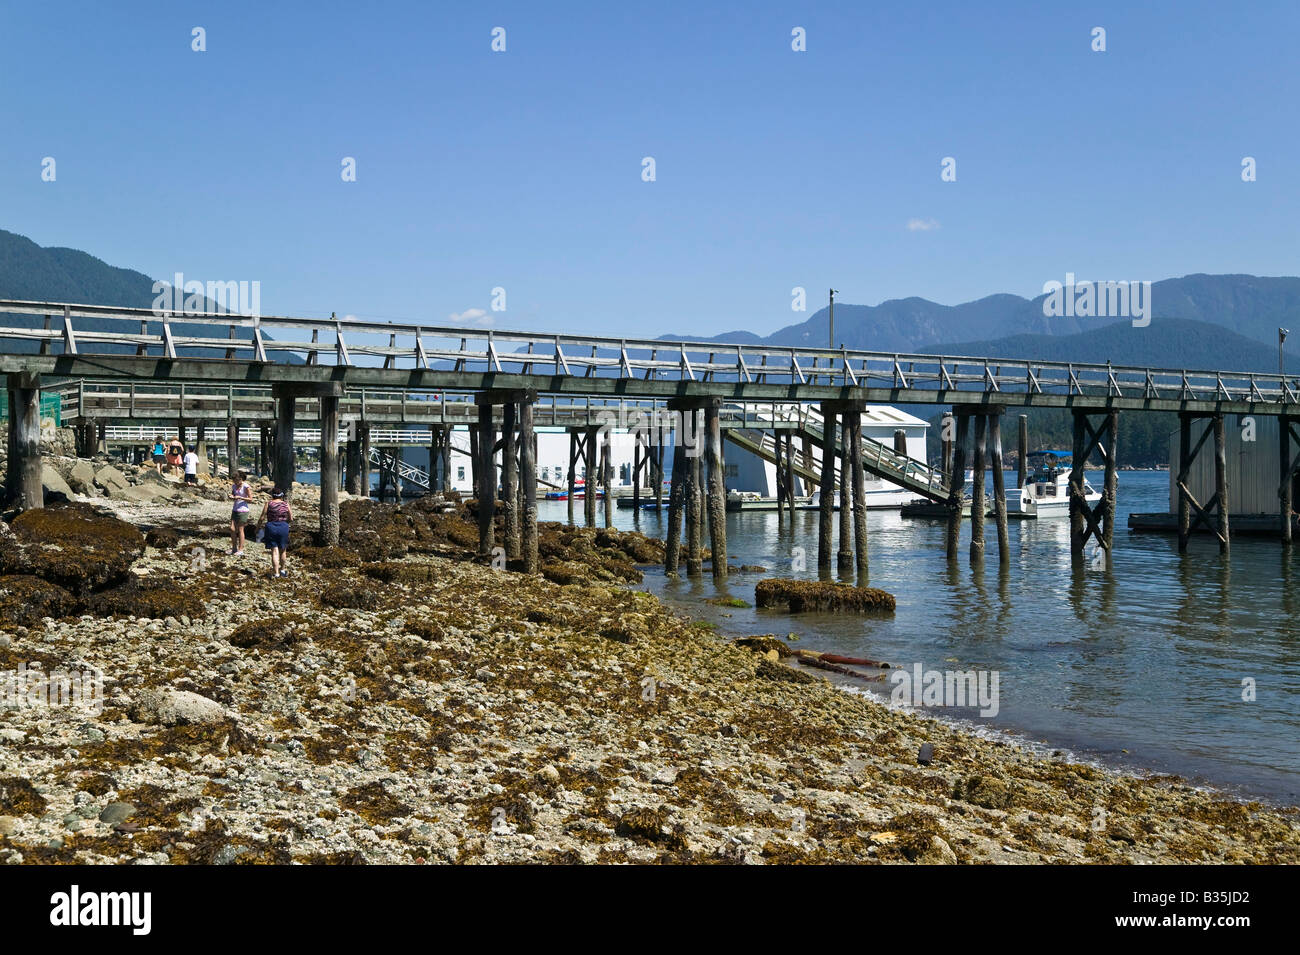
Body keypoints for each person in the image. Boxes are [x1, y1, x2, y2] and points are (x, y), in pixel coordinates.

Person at [259, 488, 292, 578]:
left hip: (271, 527)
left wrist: (258, 527)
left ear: (272, 495)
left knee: (274, 550)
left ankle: (276, 573)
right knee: (283, 550)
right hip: (283, 527)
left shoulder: (268, 504)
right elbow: (291, 518)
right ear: (282, 496)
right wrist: (285, 523)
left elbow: (262, 517)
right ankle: (283, 570)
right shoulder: (285, 504)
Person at [229, 470, 253, 555]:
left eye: (236, 480)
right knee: (232, 528)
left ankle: (240, 549)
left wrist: (241, 498)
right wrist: (232, 496)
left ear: (240, 479)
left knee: (240, 529)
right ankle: (234, 548)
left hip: (243, 510)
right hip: (235, 509)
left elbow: (250, 499)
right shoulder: (234, 486)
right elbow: (233, 494)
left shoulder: (246, 486)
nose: (234, 482)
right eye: (233, 480)